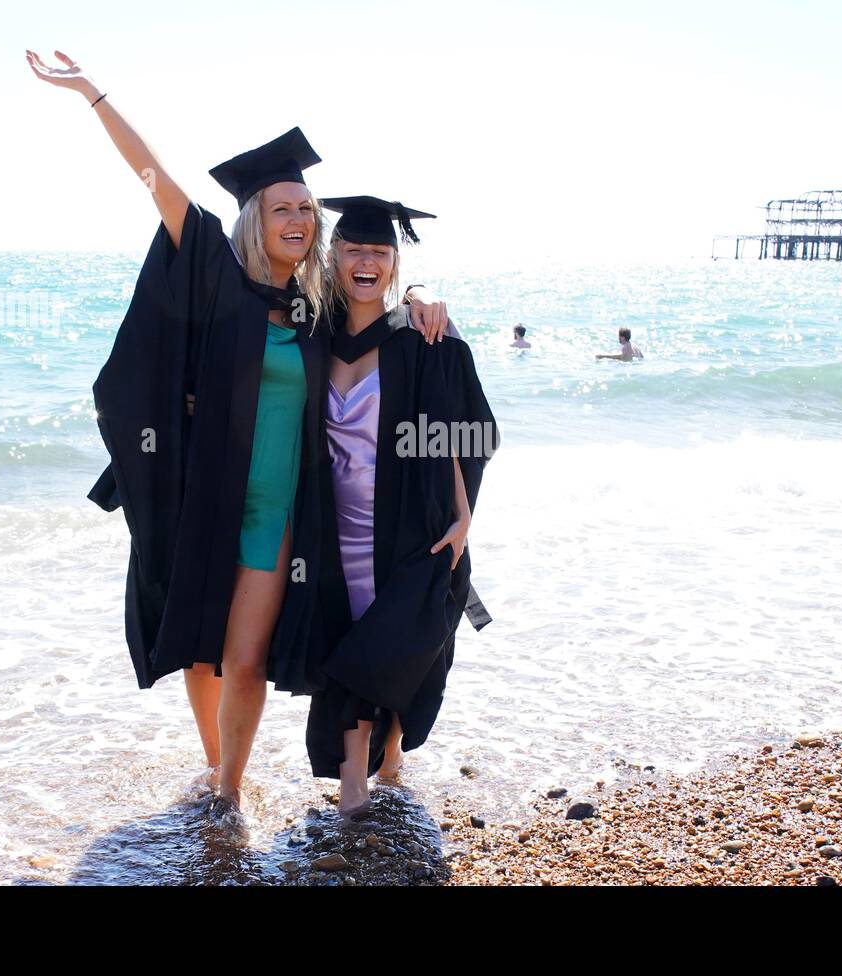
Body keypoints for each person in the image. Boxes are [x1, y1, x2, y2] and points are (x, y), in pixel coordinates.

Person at [26, 51, 449, 840]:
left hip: (278, 513)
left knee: (245, 657)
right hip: (206, 500)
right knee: (200, 653)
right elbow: (154, 180)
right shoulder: (217, 277)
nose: (298, 220)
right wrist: (94, 95)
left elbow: (379, 293)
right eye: (283, 207)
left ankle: (227, 786)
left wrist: (423, 293)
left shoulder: (316, 308)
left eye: (307, 212)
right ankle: (214, 761)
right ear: (256, 217)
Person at [274, 195, 498, 820]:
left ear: (395, 263)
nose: (365, 261)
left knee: (398, 642)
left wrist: (462, 514)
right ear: (334, 256)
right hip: (330, 525)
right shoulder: (313, 333)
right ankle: (353, 774)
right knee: (350, 644)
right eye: (353, 249)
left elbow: (464, 430)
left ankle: (389, 751)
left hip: (405, 522)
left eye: (380, 251)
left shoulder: (424, 338)